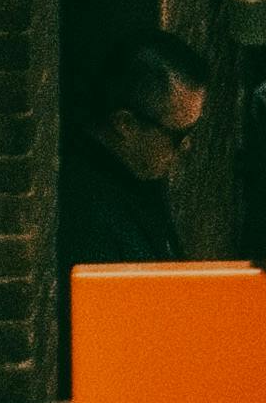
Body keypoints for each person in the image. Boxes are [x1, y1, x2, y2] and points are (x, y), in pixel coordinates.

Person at [61, 30, 209, 276]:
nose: (186, 146)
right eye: (178, 135)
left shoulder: (140, 171)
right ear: (125, 125)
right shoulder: (87, 220)